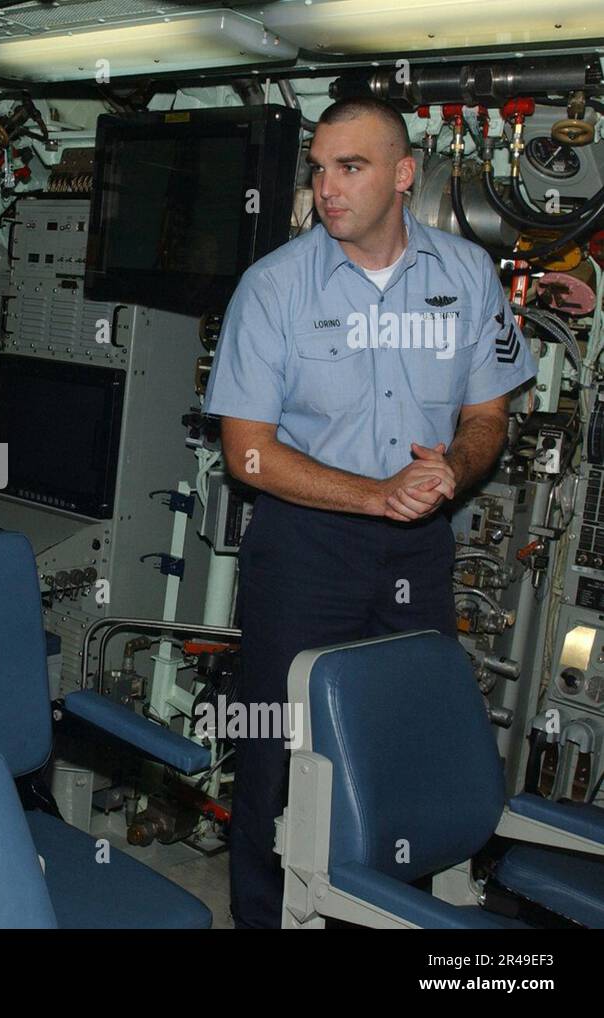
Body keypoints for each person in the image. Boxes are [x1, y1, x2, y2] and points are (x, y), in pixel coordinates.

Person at [204, 96, 536, 928]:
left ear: (402, 174)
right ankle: (262, 916)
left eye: (349, 167)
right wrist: (371, 494)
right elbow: (245, 450)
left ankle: (397, 915)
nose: (327, 187)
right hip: (304, 543)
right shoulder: (274, 287)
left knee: (404, 742)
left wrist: (450, 473)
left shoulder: (465, 276)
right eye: (318, 169)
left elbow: (488, 416)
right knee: (276, 748)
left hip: (418, 546)